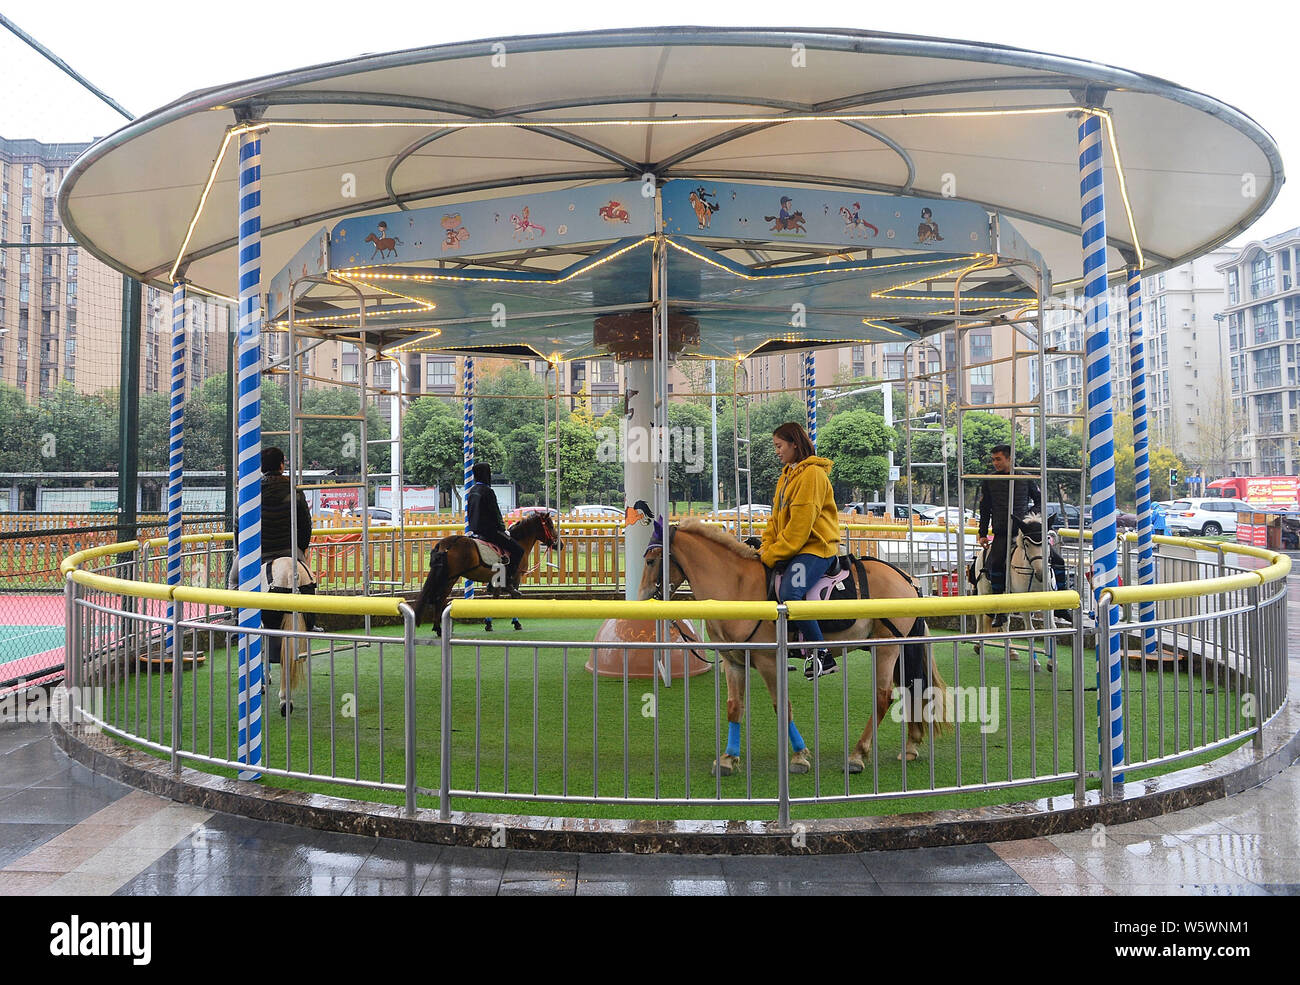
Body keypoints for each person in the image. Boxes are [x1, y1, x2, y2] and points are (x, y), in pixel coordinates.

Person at [756, 422, 842, 680]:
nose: (777, 451)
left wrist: (771, 555)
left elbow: (799, 528)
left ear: (794, 443)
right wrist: (765, 548)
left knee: (791, 590)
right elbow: (774, 519)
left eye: (779, 446)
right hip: (796, 547)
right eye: (775, 447)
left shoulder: (812, 475)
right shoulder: (787, 475)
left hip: (817, 548)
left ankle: (822, 654)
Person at [259, 447, 318, 664]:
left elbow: (239, 524)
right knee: (308, 579)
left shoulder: (251, 491)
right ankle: (312, 620)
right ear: (282, 465)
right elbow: (305, 524)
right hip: (290, 551)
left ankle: (237, 619)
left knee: (234, 579)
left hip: (260, 553)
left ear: (261, 467)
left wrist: (241, 550)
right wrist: (300, 550)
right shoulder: (295, 490)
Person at [466, 463, 522, 588]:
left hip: (475, 531)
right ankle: (507, 580)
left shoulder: (472, 491)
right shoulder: (488, 492)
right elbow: (495, 513)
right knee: (518, 550)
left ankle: (494, 582)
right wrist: (503, 529)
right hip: (489, 532)